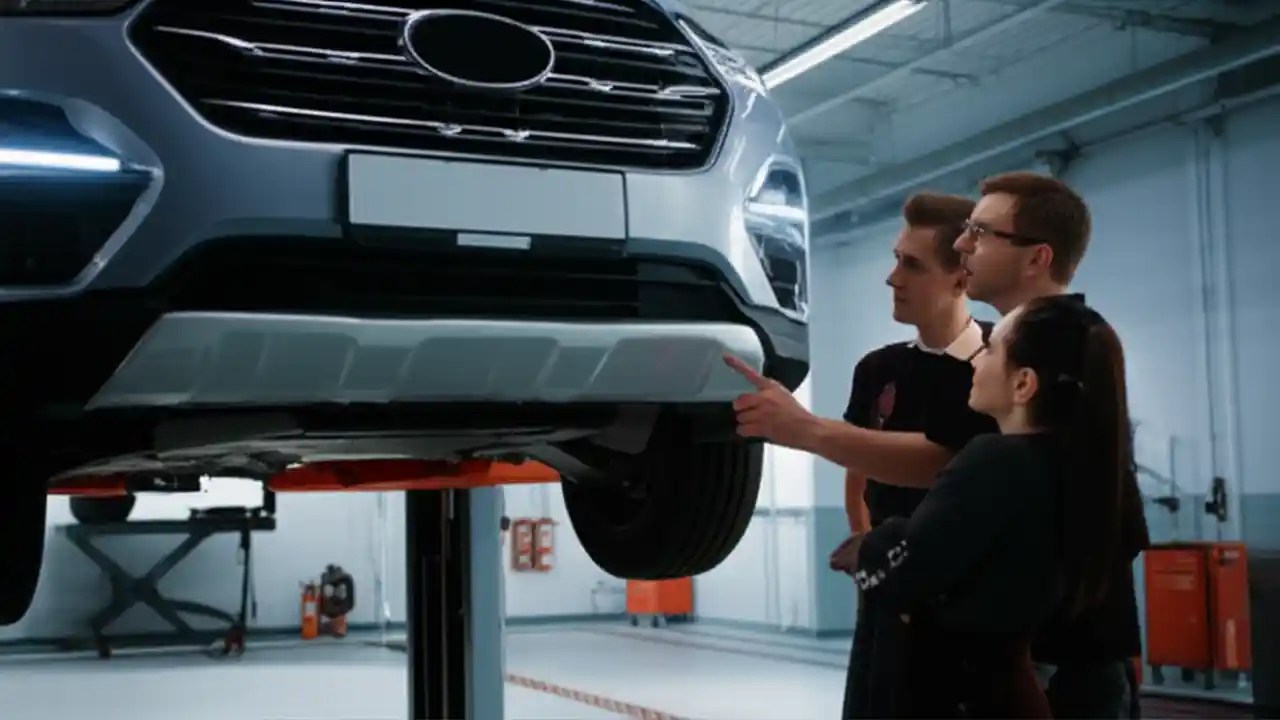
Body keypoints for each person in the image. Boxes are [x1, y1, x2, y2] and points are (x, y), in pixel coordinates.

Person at [723, 171, 1149, 717]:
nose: (966, 243)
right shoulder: (1061, 347)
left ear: (1036, 258)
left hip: (1046, 664)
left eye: (982, 232)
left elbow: (953, 474)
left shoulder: (1042, 360)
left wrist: (810, 437)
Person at [846, 294, 1136, 717]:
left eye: (991, 349)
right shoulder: (1093, 465)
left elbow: (912, 567)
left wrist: (867, 551)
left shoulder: (996, 459)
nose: (977, 360)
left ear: (1023, 384)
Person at [827, 192, 985, 717]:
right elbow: (859, 465)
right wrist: (866, 555)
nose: (892, 279)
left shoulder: (994, 371)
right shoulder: (878, 370)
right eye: (896, 260)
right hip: (884, 594)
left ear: (962, 278)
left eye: (911, 265)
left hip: (960, 608)